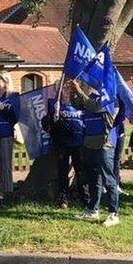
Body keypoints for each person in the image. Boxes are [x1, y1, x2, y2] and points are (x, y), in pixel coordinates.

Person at [75, 79, 120, 227]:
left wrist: (79, 91)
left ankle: (113, 213)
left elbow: (94, 107)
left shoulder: (111, 99)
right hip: (89, 143)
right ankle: (93, 210)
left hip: (104, 145)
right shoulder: (91, 96)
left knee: (108, 179)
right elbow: (79, 104)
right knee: (94, 179)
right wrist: (72, 92)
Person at [43, 80, 87, 209]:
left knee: (80, 171)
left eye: (69, 88)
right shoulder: (55, 105)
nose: (67, 90)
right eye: (64, 88)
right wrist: (53, 114)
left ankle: (85, 197)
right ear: (59, 91)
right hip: (62, 144)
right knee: (62, 172)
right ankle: (63, 198)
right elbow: (47, 125)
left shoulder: (80, 105)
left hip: (79, 144)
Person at [0, 72, 20, 204]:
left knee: (5, 165)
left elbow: (16, 118)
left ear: (6, 82)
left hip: (6, 135)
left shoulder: (13, 97)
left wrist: (5, 110)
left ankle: (5, 193)